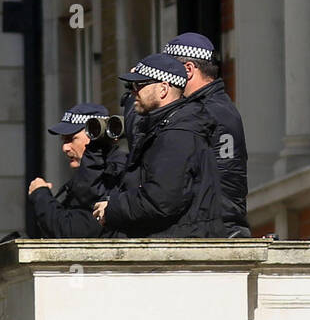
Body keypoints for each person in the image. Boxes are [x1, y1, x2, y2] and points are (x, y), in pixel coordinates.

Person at [92, 54, 228, 238]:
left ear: (163, 89)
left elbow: (162, 200)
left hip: (180, 252)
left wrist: (113, 208)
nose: (133, 92)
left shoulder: (178, 133)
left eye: (139, 85)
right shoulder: (166, 128)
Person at [162, 32, 249, 236]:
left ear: (188, 69)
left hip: (210, 229)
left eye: (167, 71)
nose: (163, 80)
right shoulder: (219, 107)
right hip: (220, 224)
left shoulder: (201, 113)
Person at [28, 103, 127, 238]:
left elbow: (71, 230)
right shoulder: (91, 173)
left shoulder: (114, 174)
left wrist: (41, 196)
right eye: (63, 140)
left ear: (95, 132)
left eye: (71, 138)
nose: (65, 148)